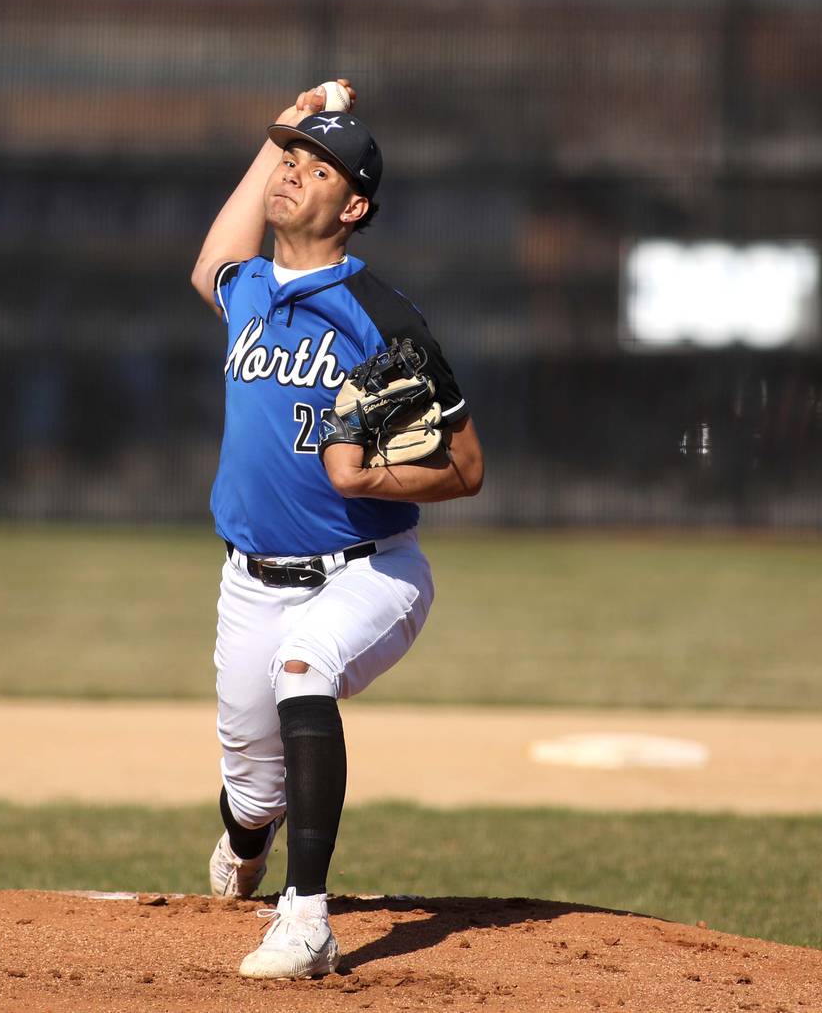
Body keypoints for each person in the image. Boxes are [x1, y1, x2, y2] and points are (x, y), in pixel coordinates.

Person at [189, 80, 484, 979]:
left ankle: (308, 918)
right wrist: (282, 126)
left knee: (304, 664)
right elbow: (209, 266)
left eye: (316, 168)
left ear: (353, 204)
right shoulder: (247, 291)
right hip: (250, 578)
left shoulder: (383, 318)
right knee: (249, 787)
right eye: (288, 160)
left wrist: (373, 473)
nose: (291, 175)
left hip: (369, 569)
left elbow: (467, 466)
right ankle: (250, 838)